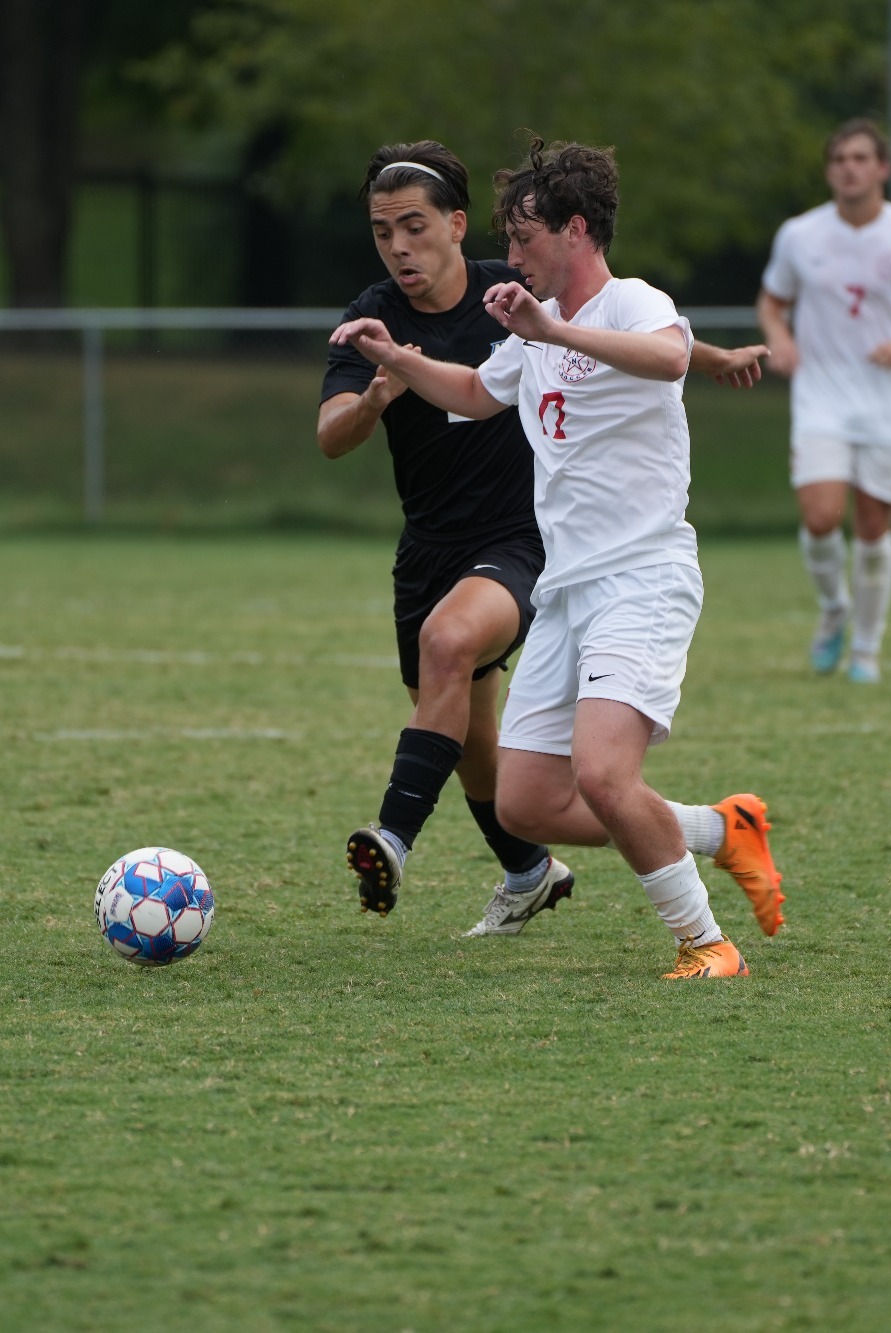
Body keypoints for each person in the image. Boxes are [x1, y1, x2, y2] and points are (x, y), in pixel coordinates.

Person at [333, 139, 783, 979]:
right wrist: (397, 361)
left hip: (642, 577)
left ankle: (706, 942)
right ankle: (725, 830)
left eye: (527, 236)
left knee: (605, 774)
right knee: (527, 799)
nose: (513, 255)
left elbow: (673, 357)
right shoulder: (532, 333)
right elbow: (473, 392)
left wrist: (552, 327)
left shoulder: (629, 304)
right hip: (567, 589)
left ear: (576, 230)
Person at [320, 142, 575, 930]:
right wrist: (374, 398)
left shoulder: (513, 292)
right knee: (465, 730)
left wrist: (697, 358)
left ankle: (391, 839)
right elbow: (331, 435)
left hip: (521, 538)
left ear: (457, 225)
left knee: (448, 642)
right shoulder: (372, 315)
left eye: (415, 226)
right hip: (427, 547)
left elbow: (606, 336)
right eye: (382, 230)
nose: (399, 246)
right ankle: (529, 870)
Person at [757, 118, 891, 683]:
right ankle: (834, 611)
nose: (849, 167)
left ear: (882, 169)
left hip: (886, 402)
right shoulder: (800, 234)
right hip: (820, 397)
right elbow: (772, 302)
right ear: (830, 172)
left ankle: (867, 650)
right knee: (821, 516)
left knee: (874, 527)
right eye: (839, 159)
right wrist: (779, 338)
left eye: (859, 158)